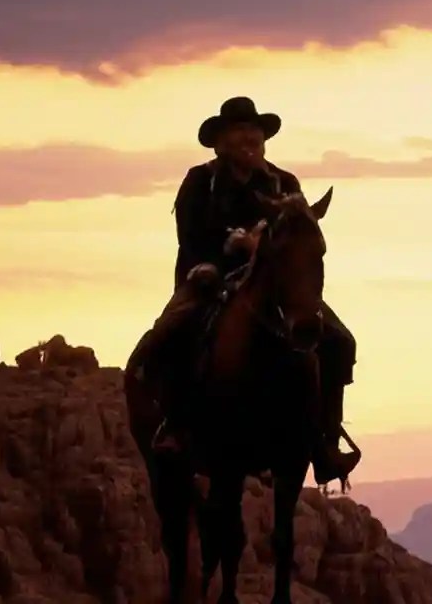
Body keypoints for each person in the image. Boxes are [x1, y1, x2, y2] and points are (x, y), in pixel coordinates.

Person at [127, 96, 360, 486]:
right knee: (169, 334)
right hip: (209, 275)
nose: (249, 138)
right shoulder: (200, 181)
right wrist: (235, 242)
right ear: (220, 143)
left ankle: (325, 439)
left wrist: (271, 249)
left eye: (254, 131)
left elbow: (300, 233)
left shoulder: (284, 184)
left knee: (338, 341)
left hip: (274, 285)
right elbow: (190, 234)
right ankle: (175, 423)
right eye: (239, 131)